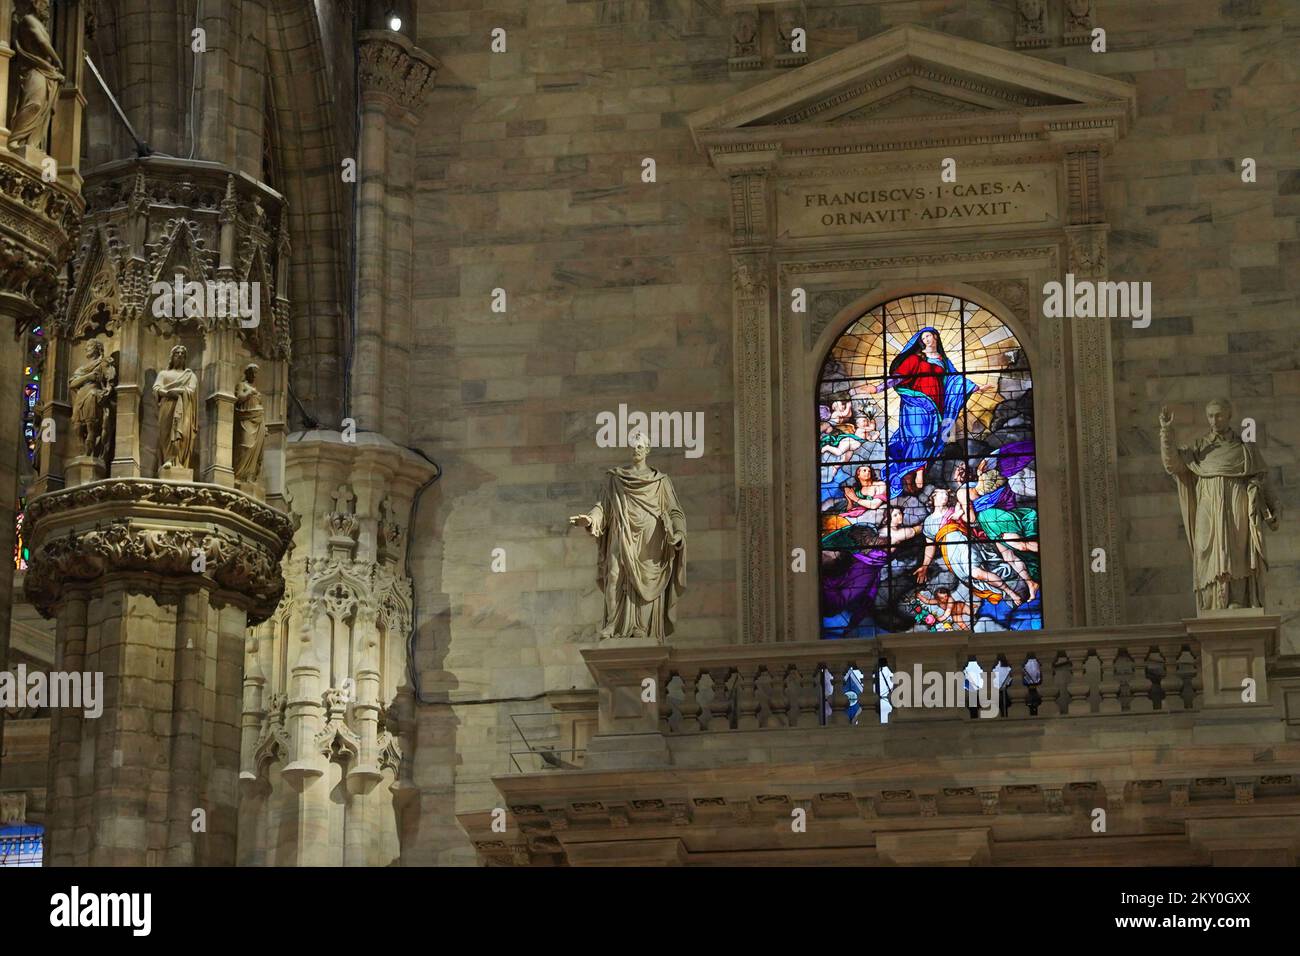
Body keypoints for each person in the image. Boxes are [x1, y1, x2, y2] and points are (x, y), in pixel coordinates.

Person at [1160, 399, 1280, 609]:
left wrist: (1273, 506)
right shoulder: (1200, 448)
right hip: (1208, 507)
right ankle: (1212, 602)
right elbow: (1174, 464)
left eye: (1219, 415)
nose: (1214, 420)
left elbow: (1262, 478)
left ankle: (1237, 601)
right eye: (1210, 416)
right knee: (1208, 550)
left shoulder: (1245, 449)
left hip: (1237, 504)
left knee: (1237, 552)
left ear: (1229, 416)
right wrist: (1167, 435)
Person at [570, 432, 686, 641]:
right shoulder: (616, 479)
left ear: (647, 450)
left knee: (646, 580)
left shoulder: (660, 482)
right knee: (613, 575)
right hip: (621, 529)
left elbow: (674, 511)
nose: (636, 450)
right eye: (633, 446)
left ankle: (642, 626)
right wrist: (590, 519)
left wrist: (678, 533)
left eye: (640, 446)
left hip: (652, 536)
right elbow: (603, 507)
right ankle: (613, 624)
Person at [865, 327, 994, 498]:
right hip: (915, 403)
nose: (926, 339)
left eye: (929, 336)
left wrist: (976, 387)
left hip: (936, 406)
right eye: (923, 337)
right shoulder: (915, 358)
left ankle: (918, 469)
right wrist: (878, 387)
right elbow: (898, 377)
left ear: (935, 337)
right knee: (918, 436)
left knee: (929, 439)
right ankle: (913, 470)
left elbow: (955, 379)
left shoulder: (943, 360)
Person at [154, 344, 199, 471]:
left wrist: (177, 391)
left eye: (182, 354)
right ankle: (168, 458)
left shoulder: (190, 375)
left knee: (181, 432)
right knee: (166, 433)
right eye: (177, 353)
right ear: (172, 357)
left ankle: (179, 461)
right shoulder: (164, 374)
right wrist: (167, 393)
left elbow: (191, 390)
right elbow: (157, 388)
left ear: (185, 358)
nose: (179, 355)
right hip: (167, 407)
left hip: (184, 408)